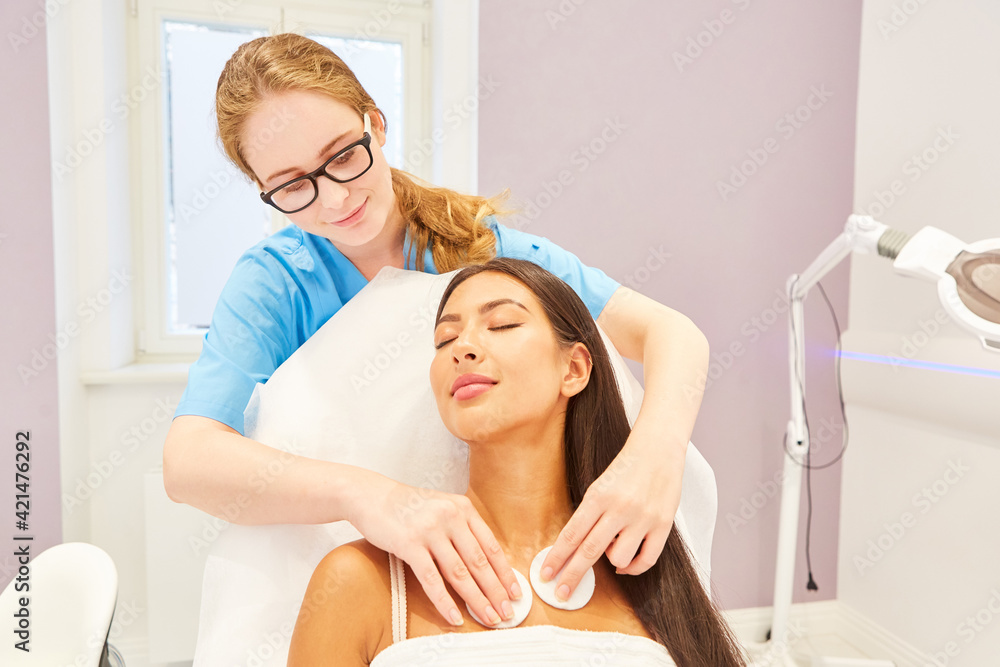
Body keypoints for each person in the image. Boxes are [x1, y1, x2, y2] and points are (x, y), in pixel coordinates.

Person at [163, 33, 712, 630]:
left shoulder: (483, 247)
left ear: (374, 122)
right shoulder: (276, 284)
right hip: (347, 573)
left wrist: (652, 460)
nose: (336, 197)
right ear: (262, 187)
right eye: (295, 186)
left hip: (498, 563)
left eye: (344, 154)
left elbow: (671, 334)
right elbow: (189, 461)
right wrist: (371, 497)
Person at [286, 258, 745, 666]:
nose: (462, 348)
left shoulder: (645, 574)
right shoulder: (359, 582)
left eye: (502, 324)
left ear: (575, 369)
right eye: (445, 338)